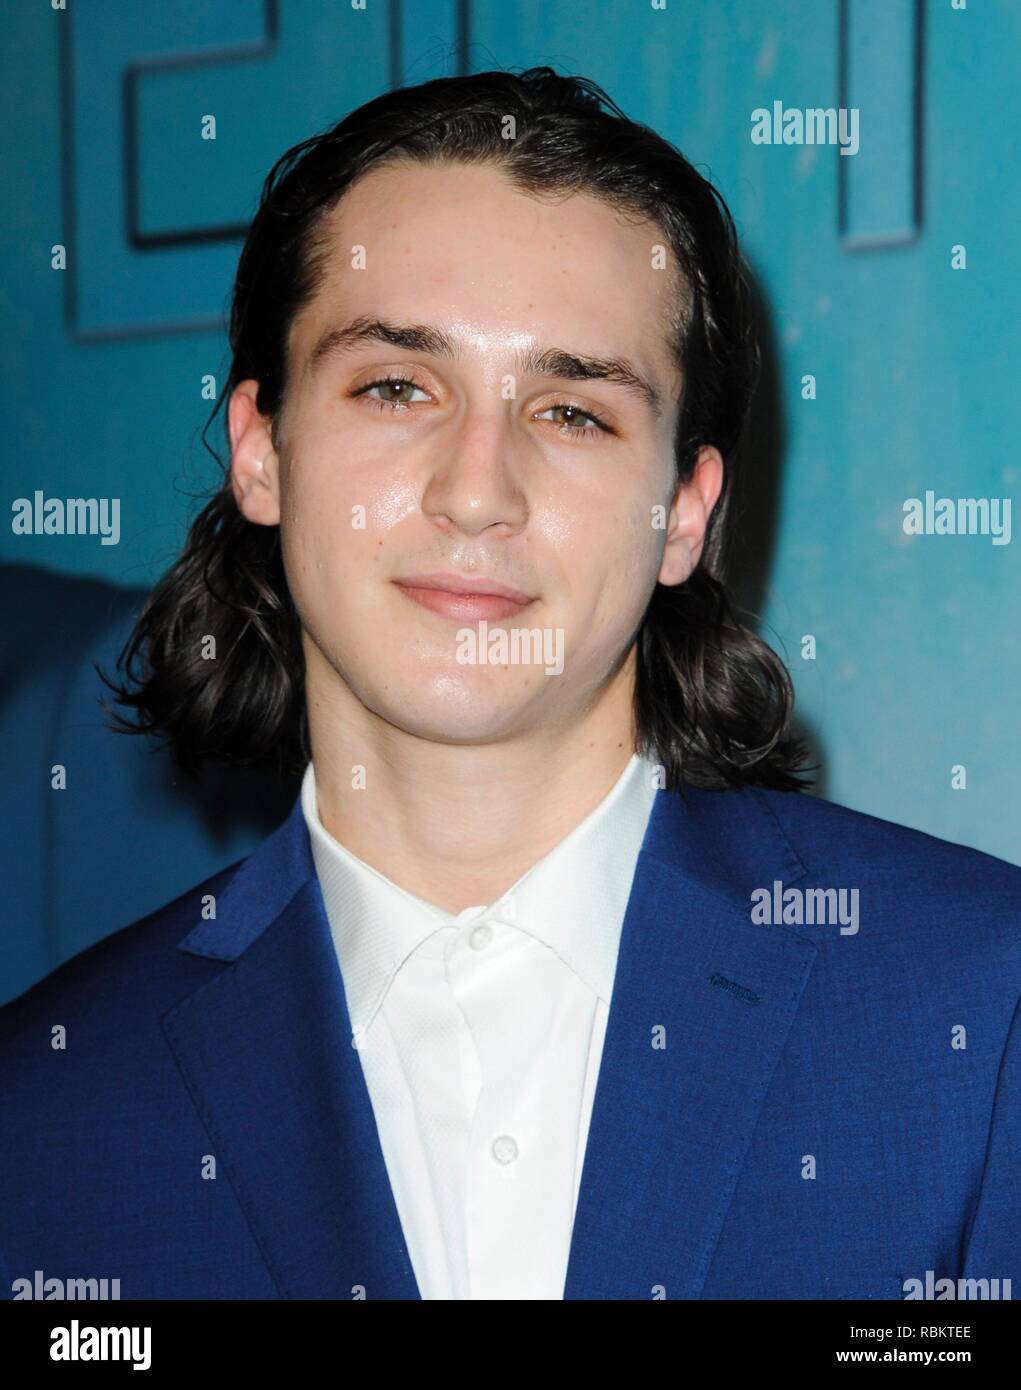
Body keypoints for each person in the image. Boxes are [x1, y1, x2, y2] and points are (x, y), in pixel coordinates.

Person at [1, 67, 1019, 1302]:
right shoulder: (43, 1112)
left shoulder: (980, 1012)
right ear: (261, 452)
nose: (476, 489)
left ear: (685, 514)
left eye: (572, 410)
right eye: (395, 386)